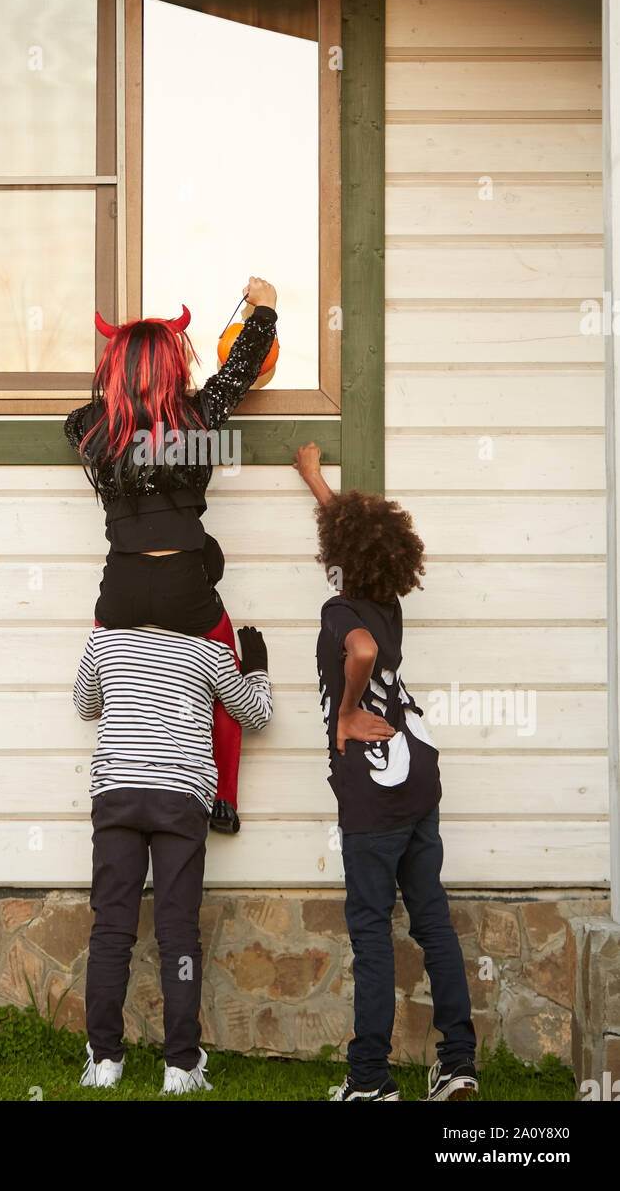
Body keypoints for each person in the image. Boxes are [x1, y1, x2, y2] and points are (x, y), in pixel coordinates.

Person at [294, 442, 478, 1103]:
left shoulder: (343, 615)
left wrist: (345, 712)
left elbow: (360, 651)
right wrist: (316, 480)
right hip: (419, 778)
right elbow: (354, 542)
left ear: (343, 561)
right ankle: (458, 1065)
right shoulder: (386, 601)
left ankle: (370, 1079)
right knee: (432, 920)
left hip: (373, 793)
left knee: (372, 931)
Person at [64, 277, 278, 836]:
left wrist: (124, 394)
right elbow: (243, 369)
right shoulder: (198, 419)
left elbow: (83, 419)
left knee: (109, 672)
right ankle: (222, 799)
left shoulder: (91, 428)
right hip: (186, 582)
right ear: (173, 366)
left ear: (115, 369)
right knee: (226, 669)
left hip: (124, 588)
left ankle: (130, 774)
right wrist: (266, 307)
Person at [73, 620, 272, 1093]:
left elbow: (85, 705)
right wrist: (258, 667)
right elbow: (257, 715)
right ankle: (180, 1067)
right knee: (178, 930)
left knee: (111, 927)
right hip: (179, 798)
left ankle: (104, 1061)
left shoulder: (105, 640)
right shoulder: (210, 652)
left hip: (118, 791)